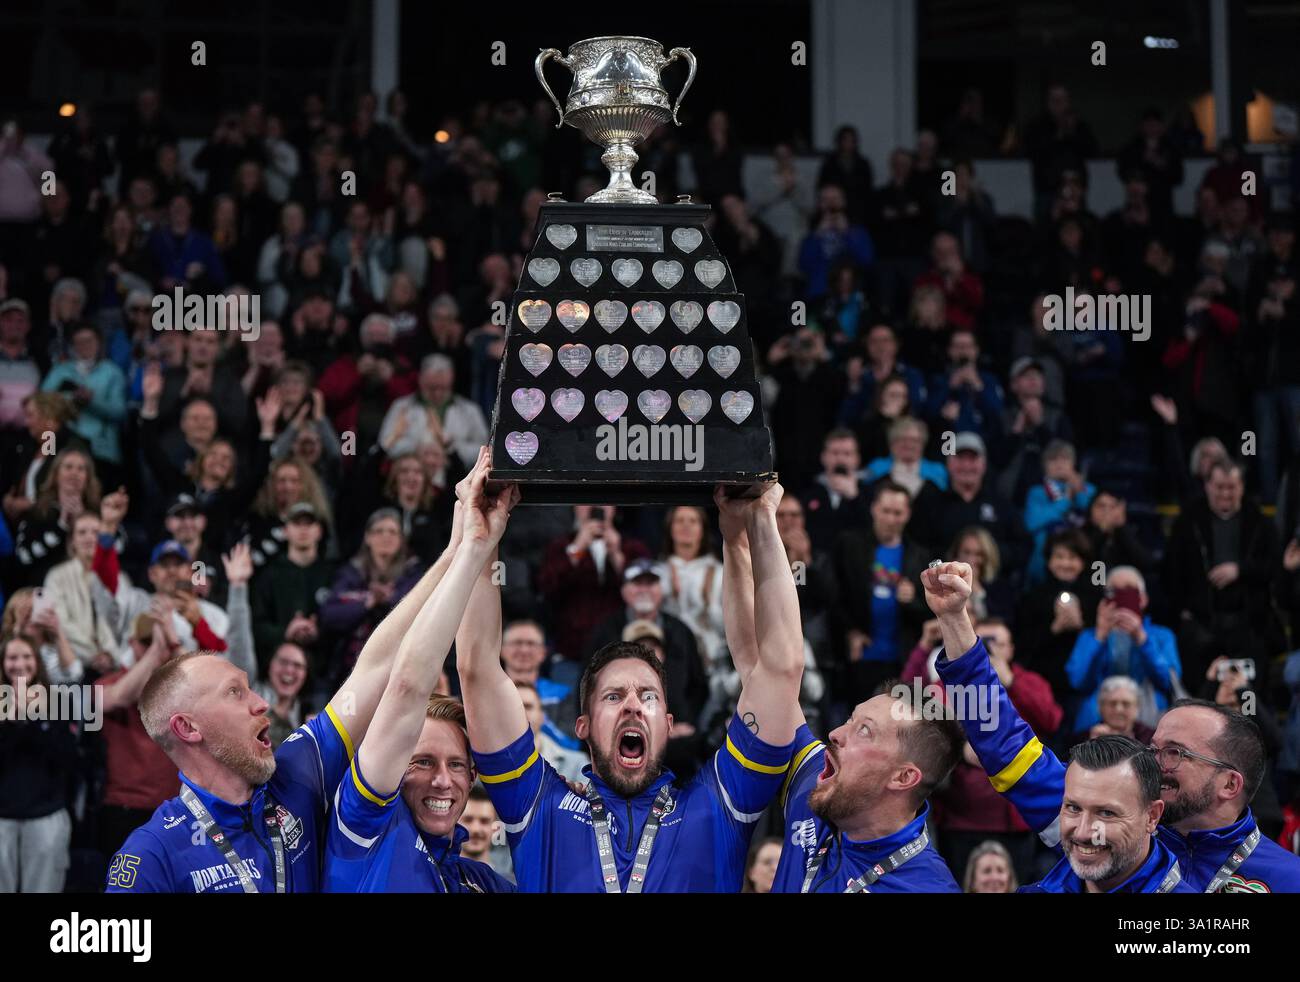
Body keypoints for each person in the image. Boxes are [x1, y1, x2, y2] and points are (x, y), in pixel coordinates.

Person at [104, 466, 487, 892]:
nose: (260, 703)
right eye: (235, 693)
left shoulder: (296, 773)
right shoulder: (152, 854)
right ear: (187, 727)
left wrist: (455, 553)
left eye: (249, 688)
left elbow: (377, 668)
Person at [458, 482, 805, 892]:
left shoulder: (718, 804)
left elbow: (780, 669)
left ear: (668, 724)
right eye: (613, 695)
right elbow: (478, 670)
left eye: (648, 696)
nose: (633, 706)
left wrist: (755, 524)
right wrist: (480, 540)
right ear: (582, 725)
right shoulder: (539, 805)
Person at [932, 561, 1300, 892]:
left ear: (1229, 783)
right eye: (1153, 747)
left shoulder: (1287, 880)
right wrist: (954, 622)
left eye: (1174, 753)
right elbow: (1002, 740)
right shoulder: (1099, 812)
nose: (1152, 762)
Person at [325, 454, 516, 893]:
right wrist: (468, 548)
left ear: (472, 776)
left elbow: (478, 664)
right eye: (421, 762)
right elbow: (408, 684)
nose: (442, 781)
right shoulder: (364, 828)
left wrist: (486, 541)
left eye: (455, 765)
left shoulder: (482, 882)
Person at [833, 479, 930, 701]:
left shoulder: (919, 556)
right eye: (886, 511)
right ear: (874, 508)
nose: (890, 519)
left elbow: (930, 612)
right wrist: (851, 631)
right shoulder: (850, 545)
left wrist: (912, 599)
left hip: (903, 659)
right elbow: (835, 596)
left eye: (897, 513)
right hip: (861, 657)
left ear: (908, 514)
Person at [0, 634, 79, 892]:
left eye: (27, 657)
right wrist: (13, 721)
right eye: (12, 658)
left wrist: (34, 720)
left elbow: (67, 759)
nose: (19, 664)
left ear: (37, 662)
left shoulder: (58, 702)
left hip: (46, 818)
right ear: (2, 663)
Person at [1065, 566, 1180, 732]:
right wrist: (1100, 636)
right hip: (1097, 719)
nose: (1121, 597)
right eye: (1114, 592)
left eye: (1128, 591)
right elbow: (1077, 680)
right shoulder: (1090, 636)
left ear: (1143, 599)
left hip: (1148, 719)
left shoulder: (1162, 636)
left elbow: (1168, 682)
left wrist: (1141, 638)